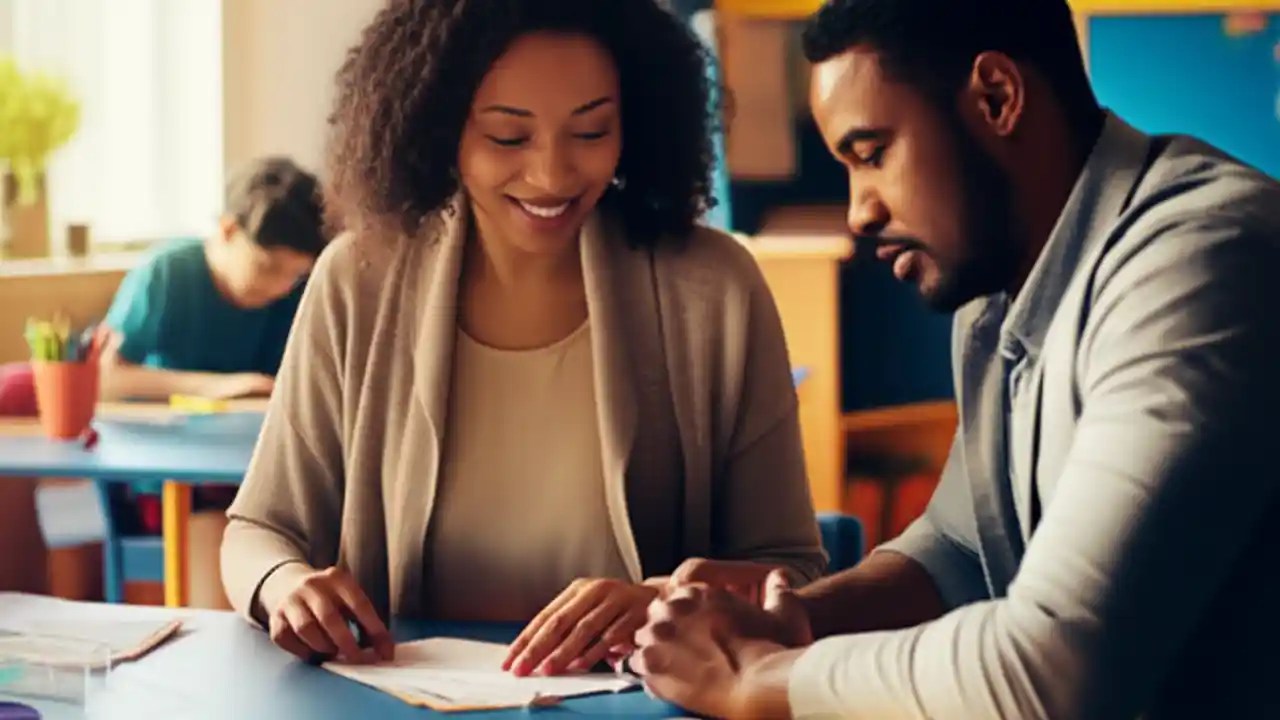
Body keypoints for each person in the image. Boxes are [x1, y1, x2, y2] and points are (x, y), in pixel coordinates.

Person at [633, 0, 1280, 717]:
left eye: (872, 153)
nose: (858, 212)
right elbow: (962, 551)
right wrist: (795, 622)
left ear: (997, 99)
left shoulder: (1201, 260)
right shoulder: (1000, 286)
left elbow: (1053, 671)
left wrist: (759, 678)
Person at [221, 0, 825, 676]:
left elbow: (791, 569)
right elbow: (259, 531)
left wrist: (666, 601)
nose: (552, 175)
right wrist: (286, 586)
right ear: (439, 125)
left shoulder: (715, 289)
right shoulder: (360, 279)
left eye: (592, 131)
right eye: (509, 138)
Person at [99, 156, 327, 401]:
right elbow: (105, 377)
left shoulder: (301, 291)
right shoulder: (167, 274)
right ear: (228, 229)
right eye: (268, 268)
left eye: (296, 274)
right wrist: (213, 387)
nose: (282, 287)